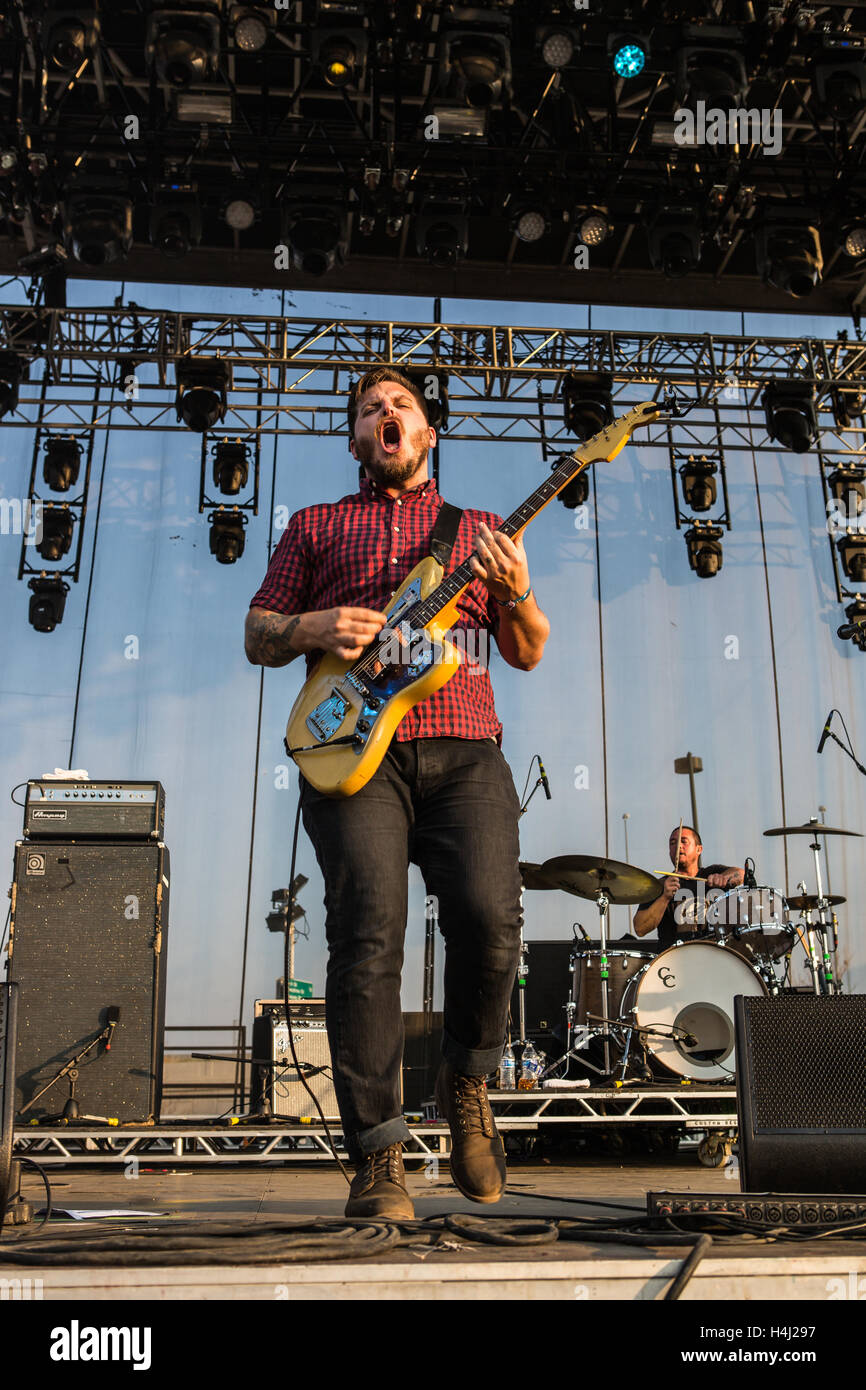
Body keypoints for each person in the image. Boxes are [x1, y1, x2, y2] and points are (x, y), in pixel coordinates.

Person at [244, 366, 550, 1219]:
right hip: (352, 755)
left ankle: (468, 1084)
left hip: (462, 745)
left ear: (429, 432)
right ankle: (379, 1158)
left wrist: (517, 587)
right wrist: (313, 626)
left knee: (491, 919)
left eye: (401, 406)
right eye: (370, 408)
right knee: (366, 939)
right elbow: (258, 630)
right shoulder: (314, 527)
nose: (386, 413)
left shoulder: (479, 532)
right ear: (354, 438)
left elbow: (526, 650)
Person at [633, 825, 744, 952]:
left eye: (684, 841)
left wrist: (723, 877)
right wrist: (664, 898)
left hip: (714, 955)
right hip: (672, 961)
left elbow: (741, 874)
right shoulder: (659, 885)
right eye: (672, 843)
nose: (678, 846)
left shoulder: (711, 872)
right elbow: (640, 928)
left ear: (699, 849)